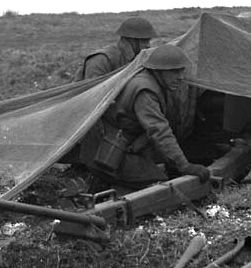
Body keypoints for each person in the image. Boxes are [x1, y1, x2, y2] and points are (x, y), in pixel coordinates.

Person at [78, 44, 210, 190]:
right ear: (158, 71)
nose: (181, 77)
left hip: (124, 145)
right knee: (158, 186)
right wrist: (184, 165)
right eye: (174, 71)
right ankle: (102, 182)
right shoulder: (145, 90)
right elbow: (159, 131)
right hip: (106, 153)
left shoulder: (152, 81)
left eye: (181, 70)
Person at [73, 17, 159, 81]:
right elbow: (92, 92)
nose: (148, 45)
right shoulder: (101, 59)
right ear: (132, 40)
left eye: (148, 41)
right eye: (144, 41)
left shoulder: (139, 59)